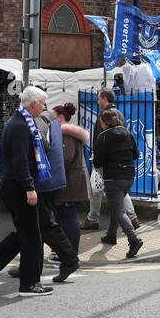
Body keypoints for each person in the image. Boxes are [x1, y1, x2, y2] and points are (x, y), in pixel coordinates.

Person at [0, 86, 61, 296]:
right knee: (32, 237)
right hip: (19, 187)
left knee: (26, 232)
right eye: (42, 104)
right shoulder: (20, 126)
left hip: (15, 186)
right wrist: (29, 188)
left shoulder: (20, 121)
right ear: (33, 104)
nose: (44, 107)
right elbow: (20, 161)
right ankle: (29, 285)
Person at [15, 104, 81, 281]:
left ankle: (69, 260)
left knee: (44, 226)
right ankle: (30, 266)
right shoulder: (51, 122)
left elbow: (41, 147)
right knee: (36, 227)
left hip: (45, 181)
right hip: (51, 180)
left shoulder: (40, 121)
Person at [84, 88, 139, 231]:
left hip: (106, 161)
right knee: (120, 192)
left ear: (104, 98)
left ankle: (93, 219)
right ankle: (132, 218)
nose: (97, 101)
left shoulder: (104, 116)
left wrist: (97, 158)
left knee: (96, 189)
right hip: (120, 163)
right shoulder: (119, 114)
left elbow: (100, 139)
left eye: (99, 98)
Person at [92, 107, 145, 257]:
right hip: (129, 176)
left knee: (118, 210)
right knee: (116, 207)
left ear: (105, 122)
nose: (100, 124)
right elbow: (135, 154)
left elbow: (97, 162)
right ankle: (111, 235)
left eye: (101, 122)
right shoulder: (127, 133)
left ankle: (133, 239)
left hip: (113, 178)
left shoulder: (103, 137)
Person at [52, 102, 91, 255]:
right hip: (71, 182)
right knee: (64, 219)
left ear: (60, 117)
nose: (51, 120)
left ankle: (71, 254)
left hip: (69, 183)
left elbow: (65, 159)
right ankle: (65, 253)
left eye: (53, 117)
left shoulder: (65, 134)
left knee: (68, 219)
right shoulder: (69, 133)